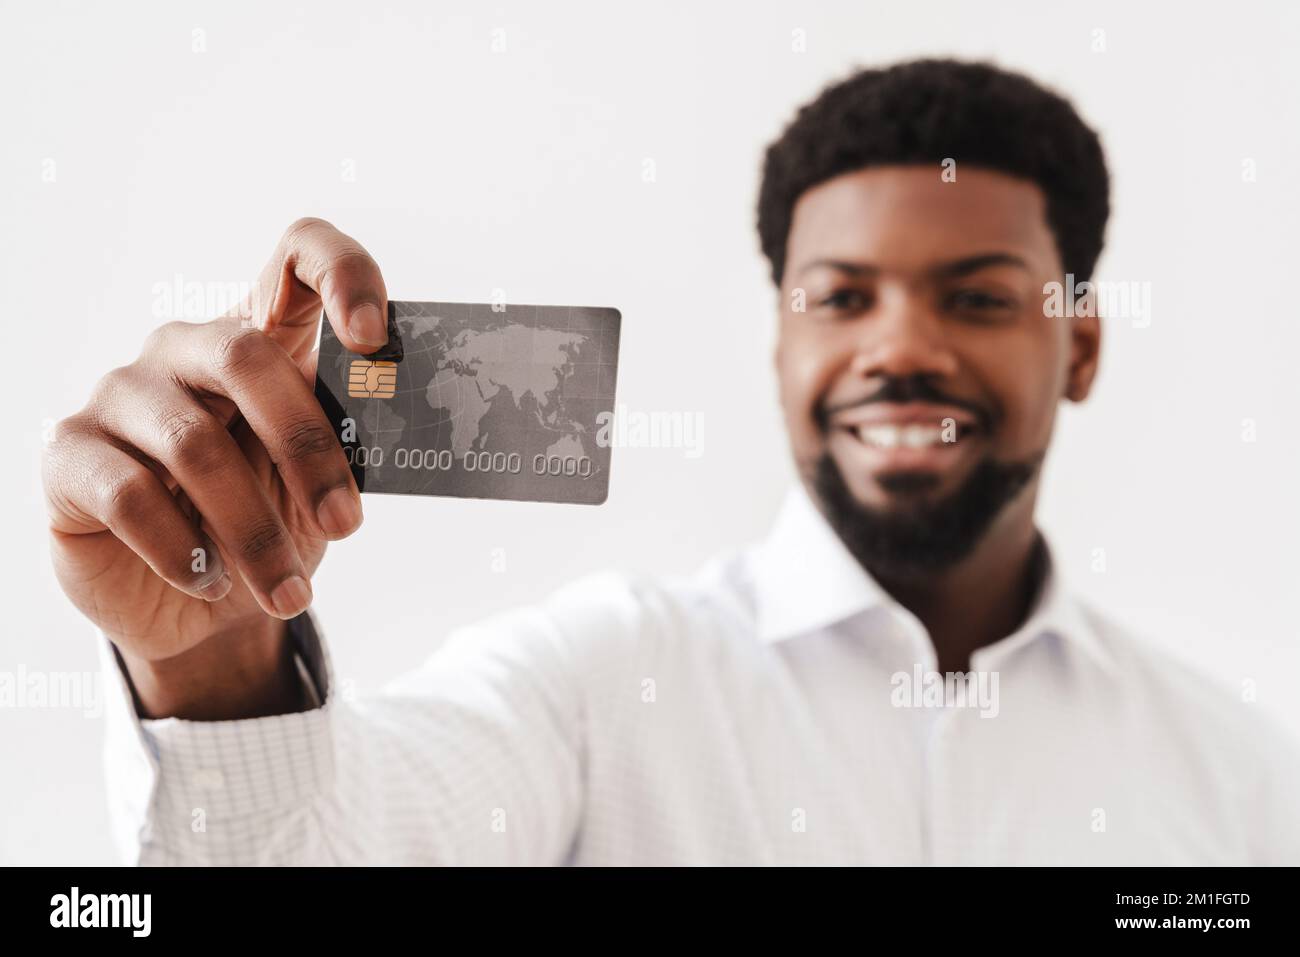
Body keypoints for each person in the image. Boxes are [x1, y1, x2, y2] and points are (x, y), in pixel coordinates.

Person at [42, 59, 1299, 865]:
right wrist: (211, 655)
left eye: (975, 300)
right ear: (779, 342)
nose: (898, 348)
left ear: (1077, 347)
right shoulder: (598, 689)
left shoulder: (1234, 778)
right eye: (838, 297)